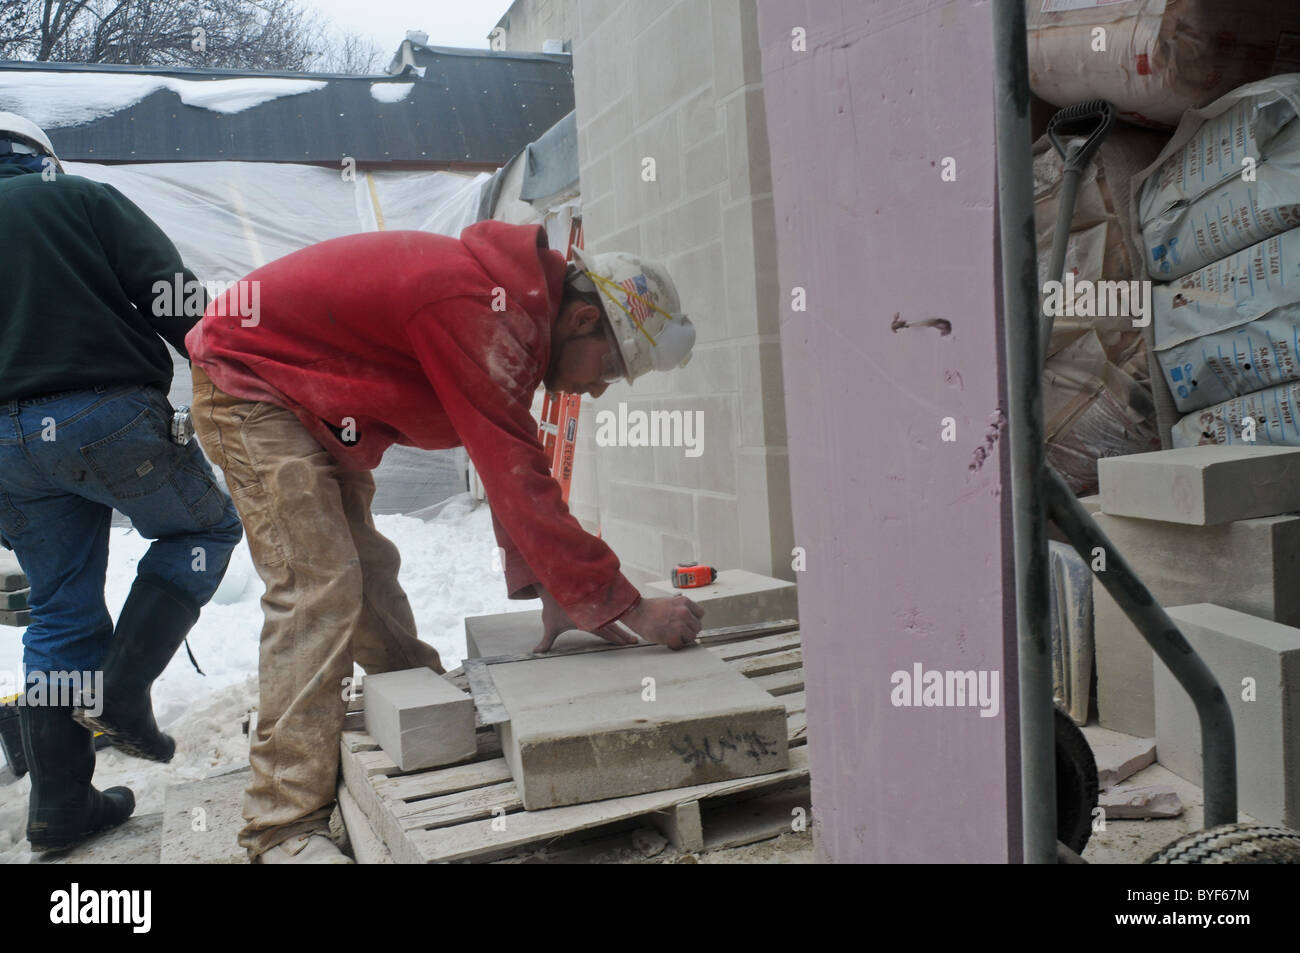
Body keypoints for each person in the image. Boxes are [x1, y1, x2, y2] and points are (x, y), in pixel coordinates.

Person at [186, 221, 705, 863]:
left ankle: (415, 704)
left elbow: (502, 455)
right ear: (581, 322)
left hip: (303, 397)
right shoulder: (482, 311)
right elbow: (518, 476)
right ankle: (281, 827)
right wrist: (629, 605)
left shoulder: (506, 310)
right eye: (611, 369)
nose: (598, 389)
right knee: (318, 587)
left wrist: (556, 586)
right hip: (252, 387)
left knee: (364, 572)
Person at [0, 113, 243, 853]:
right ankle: (124, 689)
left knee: (60, 610)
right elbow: (173, 297)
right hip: (105, 414)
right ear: (43, 159)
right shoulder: (81, 200)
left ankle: (59, 808)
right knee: (204, 528)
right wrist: (233, 380)